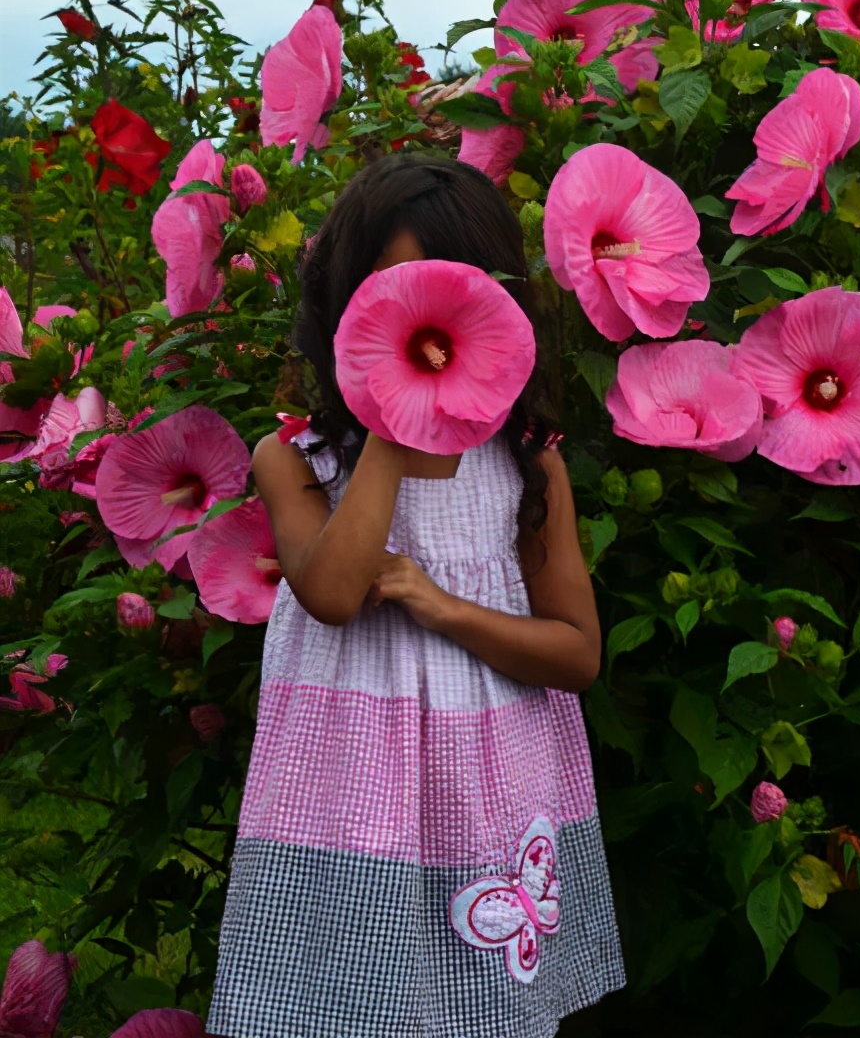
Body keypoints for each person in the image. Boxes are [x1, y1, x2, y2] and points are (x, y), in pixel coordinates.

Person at [207, 155, 625, 1037]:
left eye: (452, 288)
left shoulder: (525, 462)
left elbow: (577, 653)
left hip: (489, 785)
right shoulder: (298, 458)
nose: (418, 317)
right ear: (342, 306)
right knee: (346, 1006)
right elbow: (330, 591)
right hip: (348, 792)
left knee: (484, 1012)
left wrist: (444, 608)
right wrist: (396, 424)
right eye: (387, 290)